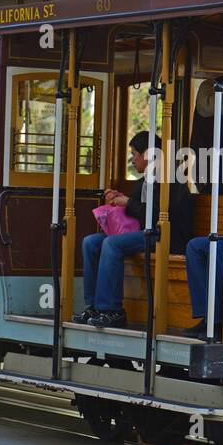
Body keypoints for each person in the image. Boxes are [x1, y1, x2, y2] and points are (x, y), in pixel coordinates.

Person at [74, 131, 193, 328]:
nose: (132, 159)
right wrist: (117, 200)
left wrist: (128, 202)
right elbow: (136, 210)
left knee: (111, 244)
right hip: (145, 233)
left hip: (166, 237)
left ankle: (112, 310)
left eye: (134, 153)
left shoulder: (171, 181)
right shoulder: (144, 181)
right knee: (91, 242)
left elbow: (157, 216)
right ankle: (94, 306)